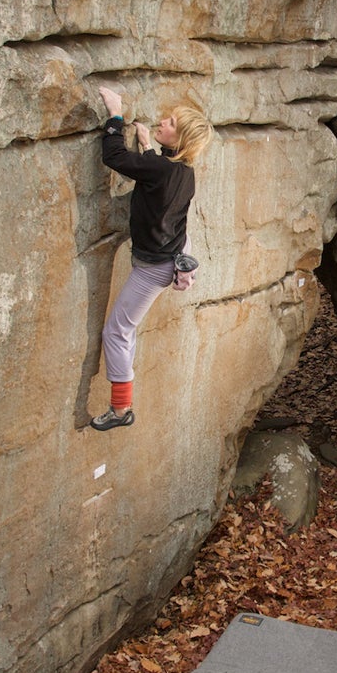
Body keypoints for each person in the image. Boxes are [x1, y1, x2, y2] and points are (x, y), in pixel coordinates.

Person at [90, 86, 213, 431]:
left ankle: (121, 409)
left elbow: (114, 158)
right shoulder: (183, 170)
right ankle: (122, 402)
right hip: (170, 252)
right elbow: (154, 174)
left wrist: (115, 116)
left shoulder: (161, 169)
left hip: (155, 267)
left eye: (170, 122)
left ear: (181, 138)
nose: (162, 121)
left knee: (116, 332)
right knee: (125, 330)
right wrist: (146, 143)